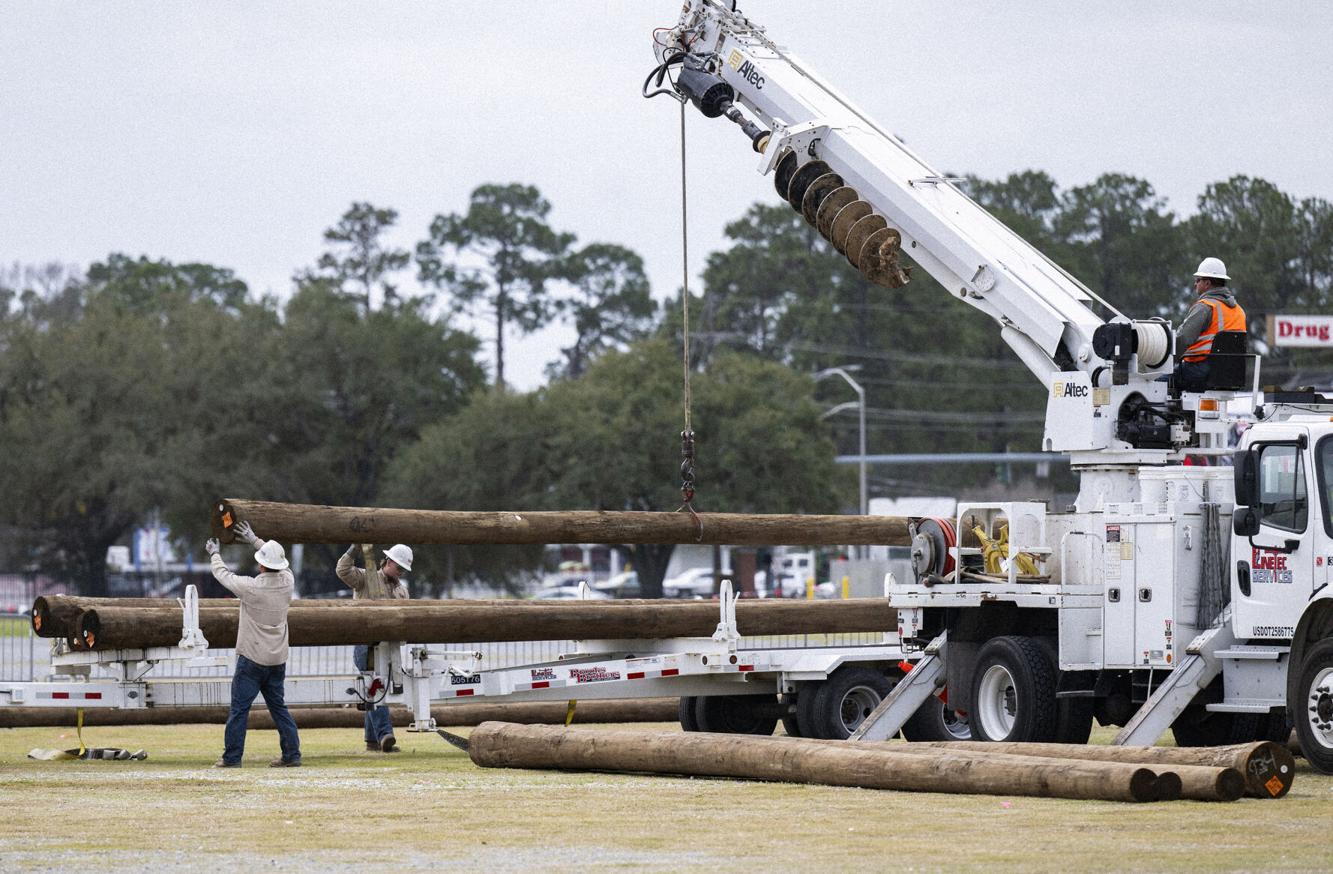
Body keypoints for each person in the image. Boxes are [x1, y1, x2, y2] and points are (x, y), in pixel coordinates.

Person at [207, 520, 301, 768]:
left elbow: (223, 575)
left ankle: (232, 758)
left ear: (261, 565)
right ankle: (292, 755)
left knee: (239, 710)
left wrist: (215, 554)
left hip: (251, 658)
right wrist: (253, 538)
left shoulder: (251, 588)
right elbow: (275, 559)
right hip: (277, 659)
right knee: (279, 708)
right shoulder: (288, 581)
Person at [336, 542, 413, 753]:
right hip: (365, 645)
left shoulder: (402, 591)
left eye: (404, 570)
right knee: (376, 688)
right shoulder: (364, 578)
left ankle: (371, 740)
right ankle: (385, 734)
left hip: (389, 648)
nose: (401, 573)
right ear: (388, 562)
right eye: (399, 568)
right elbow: (342, 570)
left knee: (374, 690)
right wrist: (354, 549)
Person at [1172, 257, 1247, 392]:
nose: (1195, 284)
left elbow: (1182, 339)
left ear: (1207, 283)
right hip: (1230, 374)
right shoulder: (1239, 310)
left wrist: (1165, 360)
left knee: (1157, 382)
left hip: (1201, 370)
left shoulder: (1205, 307)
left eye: (1198, 280)